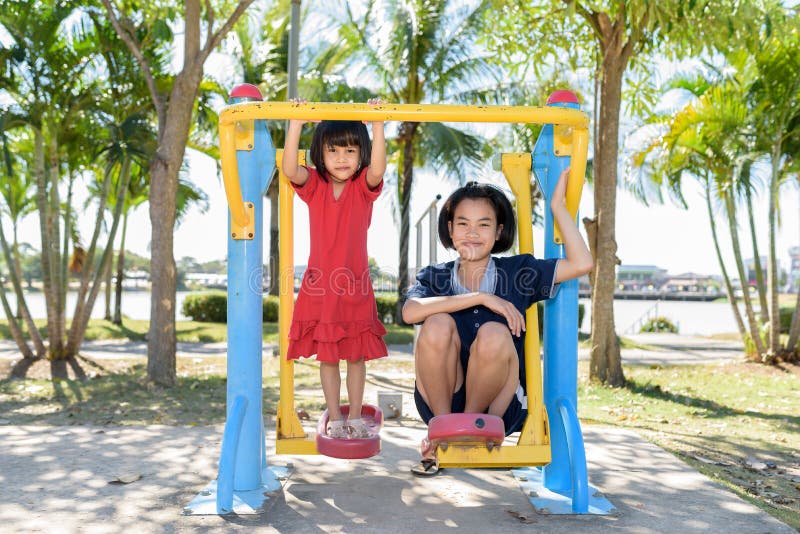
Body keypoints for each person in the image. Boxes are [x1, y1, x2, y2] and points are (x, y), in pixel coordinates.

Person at [402, 168, 593, 475]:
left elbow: (582, 263)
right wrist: (481, 297)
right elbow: (410, 313)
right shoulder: (435, 276)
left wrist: (557, 207)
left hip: (498, 406)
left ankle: (472, 427)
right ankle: (444, 431)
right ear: (450, 229)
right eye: (463, 223)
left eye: (484, 224)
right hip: (442, 397)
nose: (472, 233)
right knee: (436, 322)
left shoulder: (519, 272)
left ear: (498, 232)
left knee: (493, 332)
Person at [282, 99, 388, 440]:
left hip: (354, 285)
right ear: (321, 154)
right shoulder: (315, 186)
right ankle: (335, 415)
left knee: (355, 357)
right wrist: (296, 124)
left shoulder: (362, 189)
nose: (342, 158)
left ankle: (356, 416)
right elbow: (289, 170)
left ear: (362, 155)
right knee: (328, 358)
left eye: (351, 150)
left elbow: (378, 170)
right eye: (334, 151)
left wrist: (378, 125)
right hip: (321, 286)